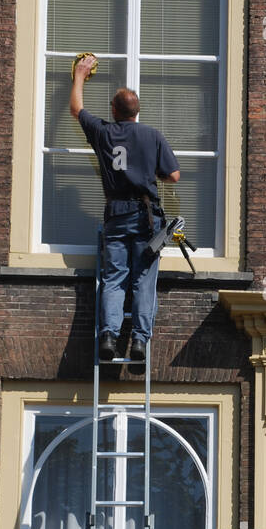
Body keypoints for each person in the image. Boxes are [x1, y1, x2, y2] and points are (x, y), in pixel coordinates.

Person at [70, 57, 180, 365]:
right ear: (138, 111)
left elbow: (76, 109)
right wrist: (151, 172)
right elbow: (174, 176)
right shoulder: (153, 135)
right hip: (146, 218)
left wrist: (79, 75)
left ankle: (108, 336)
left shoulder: (104, 133)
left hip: (116, 216)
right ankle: (139, 342)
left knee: (114, 278)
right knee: (143, 280)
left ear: (114, 110)